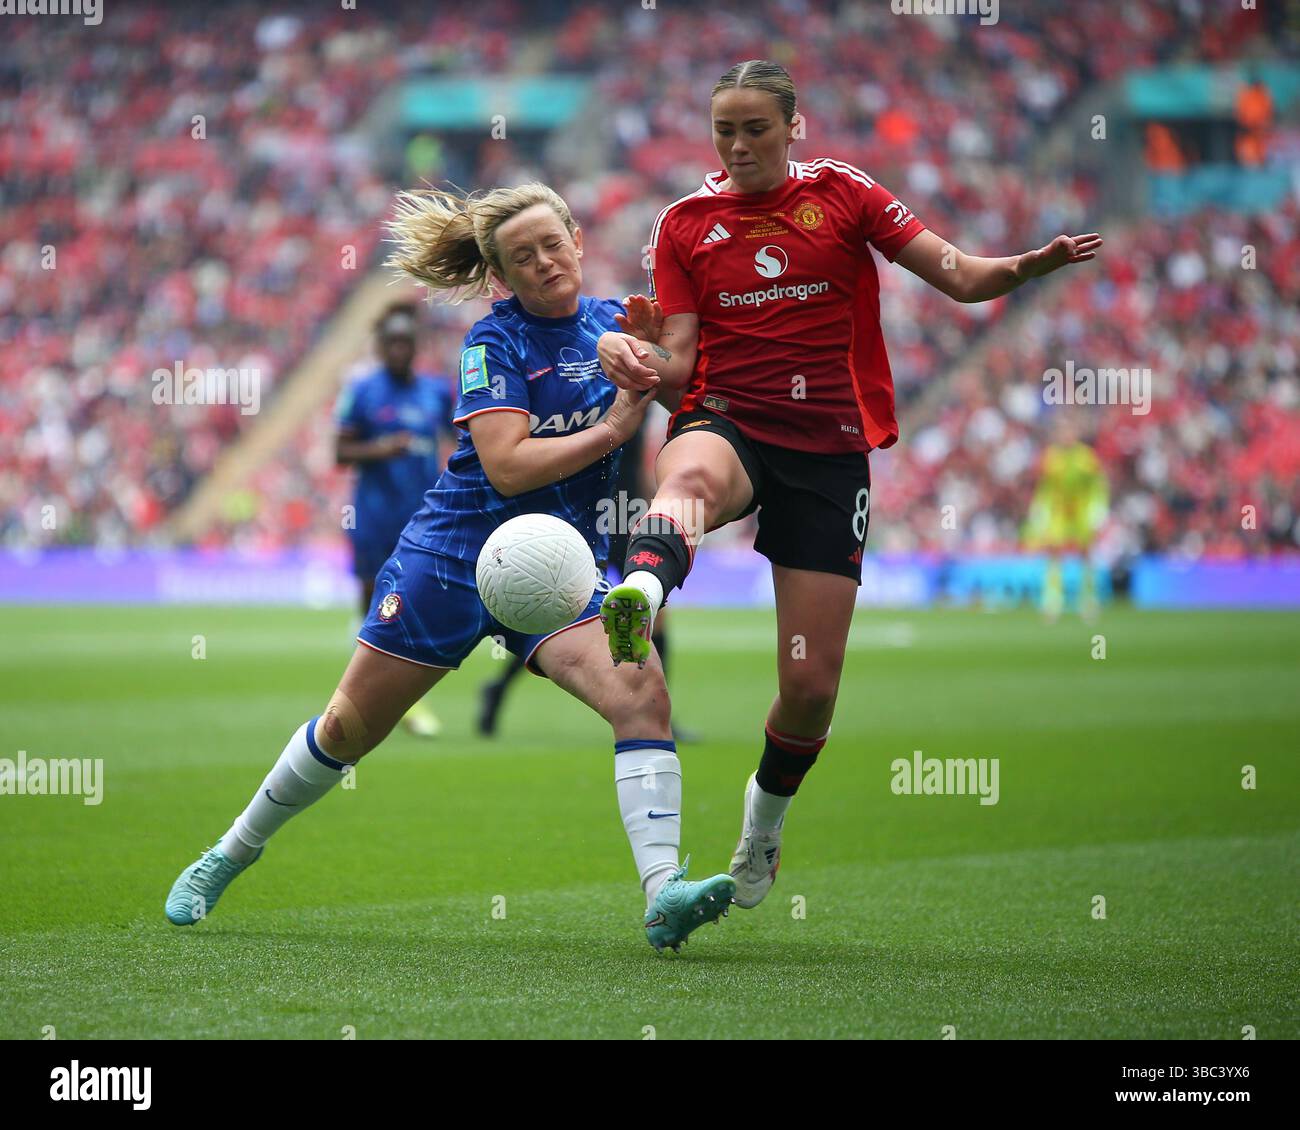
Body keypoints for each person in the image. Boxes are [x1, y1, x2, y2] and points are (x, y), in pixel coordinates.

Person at [165, 182, 735, 952]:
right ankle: (227, 854)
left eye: (551, 244)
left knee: (642, 692)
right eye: (522, 257)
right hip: (453, 556)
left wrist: (653, 354)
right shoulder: (492, 343)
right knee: (346, 728)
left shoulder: (610, 322)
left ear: (575, 237)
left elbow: (685, 380)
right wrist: (611, 428)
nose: (543, 263)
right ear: (501, 275)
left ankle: (665, 893)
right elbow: (504, 466)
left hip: (555, 568)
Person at [597, 59, 1103, 910]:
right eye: (724, 128)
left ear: (794, 126)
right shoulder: (685, 222)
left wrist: (1030, 264)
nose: (739, 143)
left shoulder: (845, 194)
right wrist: (642, 355)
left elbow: (960, 276)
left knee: (810, 685)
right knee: (687, 470)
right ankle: (641, 590)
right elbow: (680, 368)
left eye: (756, 127)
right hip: (729, 416)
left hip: (828, 449)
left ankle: (762, 826)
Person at [335, 302, 455, 737]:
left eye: (407, 342)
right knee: (371, 603)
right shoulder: (363, 391)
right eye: (393, 342)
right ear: (382, 346)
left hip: (422, 517)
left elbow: (458, 436)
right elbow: (339, 452)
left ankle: (404, 699)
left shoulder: (435, 391)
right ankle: (360, 696)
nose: (400, 349)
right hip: (374, 515)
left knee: (413, 605)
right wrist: (381, 449)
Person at [1024, 415, 1109, 622]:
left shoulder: (1086, 457)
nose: (1066, 435)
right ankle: (1053, 601)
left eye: (1069, 431)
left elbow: (1098, 485)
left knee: (1086, 554)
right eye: (1062, 431)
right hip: (1058, 512)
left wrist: (1098, 509)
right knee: (1054, 553)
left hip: (1080, 512)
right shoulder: (1051, 457)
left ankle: (1088, 600)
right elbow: (1044, 487)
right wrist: (1039, 509)